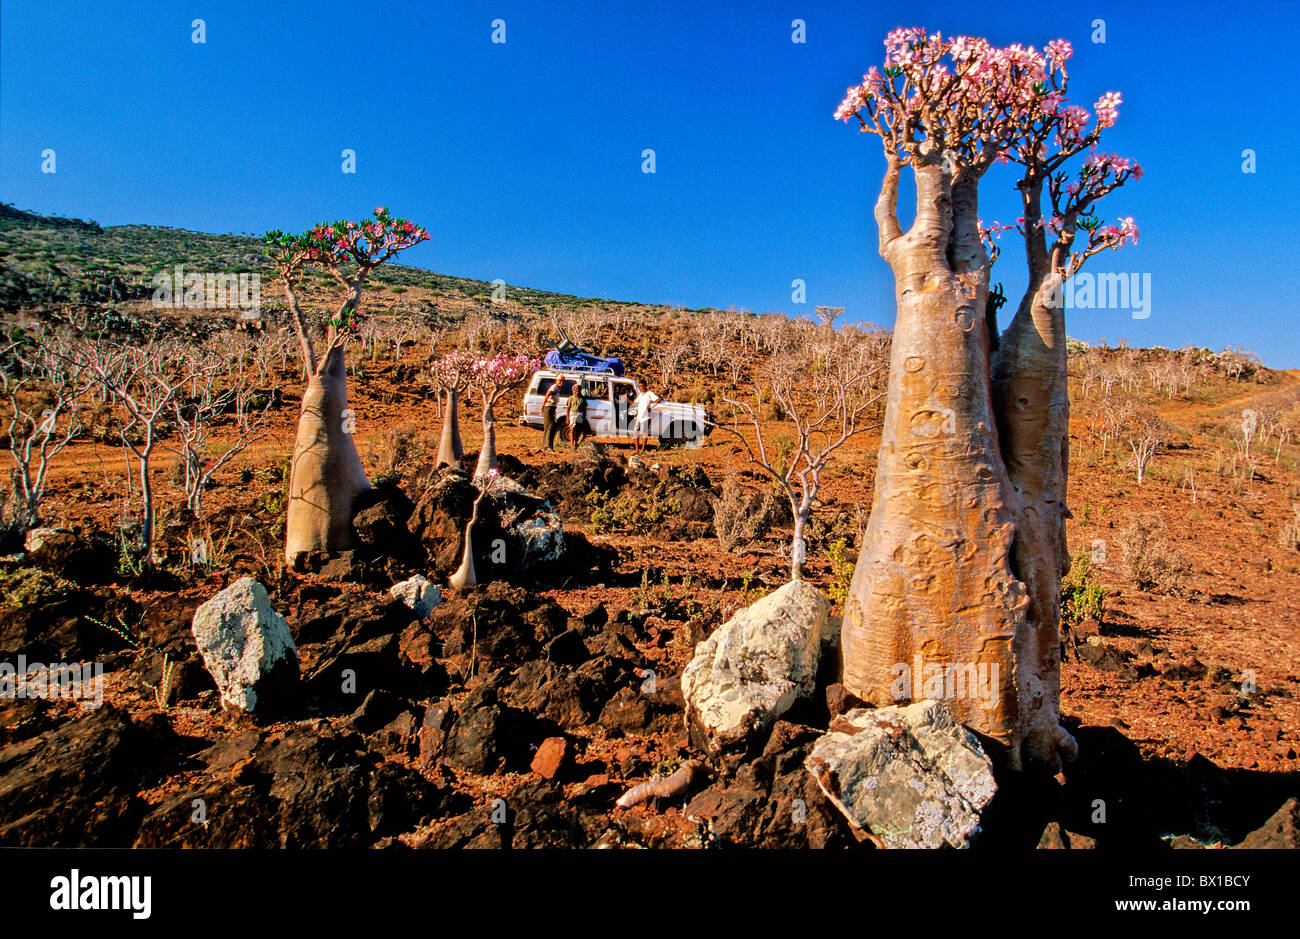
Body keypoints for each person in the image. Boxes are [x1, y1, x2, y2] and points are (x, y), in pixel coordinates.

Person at [633, 385, 660, 453]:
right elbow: (635, 403)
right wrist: (626, 399)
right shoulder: (641, 395)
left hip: (646, 417)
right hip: (639, 417)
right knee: (636, 433)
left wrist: (651, 406)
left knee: (644, 433)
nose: (641, 387)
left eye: (642, 386)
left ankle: (642, 450)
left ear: (646, 386)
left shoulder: (649, 393)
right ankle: (637, 450)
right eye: (640, 386)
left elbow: (658, 399)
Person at [541, 378, 565, 451]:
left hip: (552, 408)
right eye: (560, 380)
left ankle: (547, 445)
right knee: (551, 425)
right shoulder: (554, 387)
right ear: (556, 380)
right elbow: (547, 395)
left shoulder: (558, 389)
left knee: (549, 426)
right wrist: (542, 406)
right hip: (548, 407)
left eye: (563, 381)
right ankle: (547, 445)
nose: (561, 382)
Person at [566, 382, 586, 449]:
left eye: (579, 389)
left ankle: (576, 442)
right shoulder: (571, 398)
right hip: (572, 414)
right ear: (573, 390)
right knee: (572, 428)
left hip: (580, 414)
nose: (577, 390)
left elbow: (584, 409)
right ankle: (572, 444)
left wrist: (584, 418)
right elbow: (568, 409)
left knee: (578, 429)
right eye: (576, 389)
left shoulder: (582, 398)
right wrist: (567, 418)